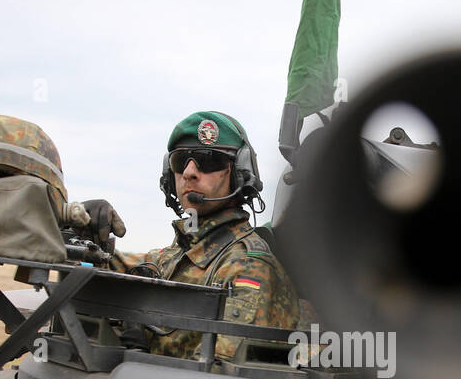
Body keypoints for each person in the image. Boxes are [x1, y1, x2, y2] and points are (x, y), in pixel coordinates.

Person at [82, 111, 300, 362]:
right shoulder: (170, 257)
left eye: (208, 161)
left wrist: (143, 357)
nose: (189, 173)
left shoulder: (247, 267)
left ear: (240, 171)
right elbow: (92, 267)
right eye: (180, 161)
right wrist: (82, 226)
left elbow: (221, 378)